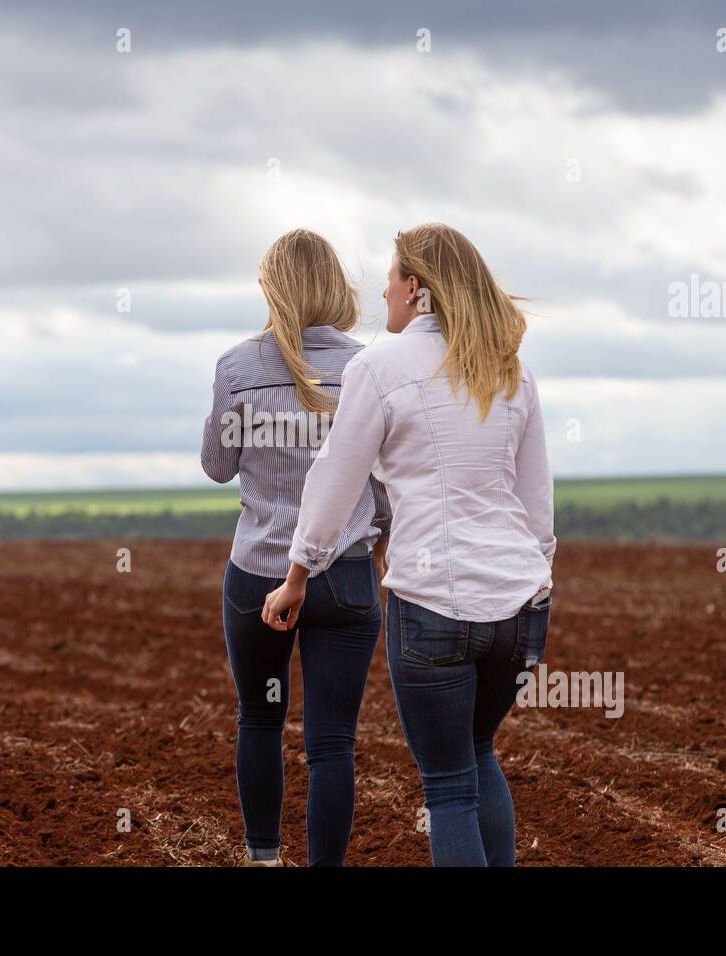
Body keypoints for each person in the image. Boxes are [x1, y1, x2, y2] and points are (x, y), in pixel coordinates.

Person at [262, 222, 555, 867]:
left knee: (448, 787)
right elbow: (536, 501)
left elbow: (335, 478)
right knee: (479, 754)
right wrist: (535, 576)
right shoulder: (510, 372)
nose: (385, 291)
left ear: (417, 288)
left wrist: (299, 574)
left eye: (393, 278)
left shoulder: (378, 368)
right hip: (521, 603)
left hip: (433, 606)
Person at [201, 228, 390, 866]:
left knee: (258, 716)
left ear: (272, 288)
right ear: (334, 286)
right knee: (333, 741)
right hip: (346, 573)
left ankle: (263, 858)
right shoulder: (366, 365)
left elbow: (217, 466)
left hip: (257, 569)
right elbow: (382, 475)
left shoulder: (236, 366)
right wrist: (382, 534)